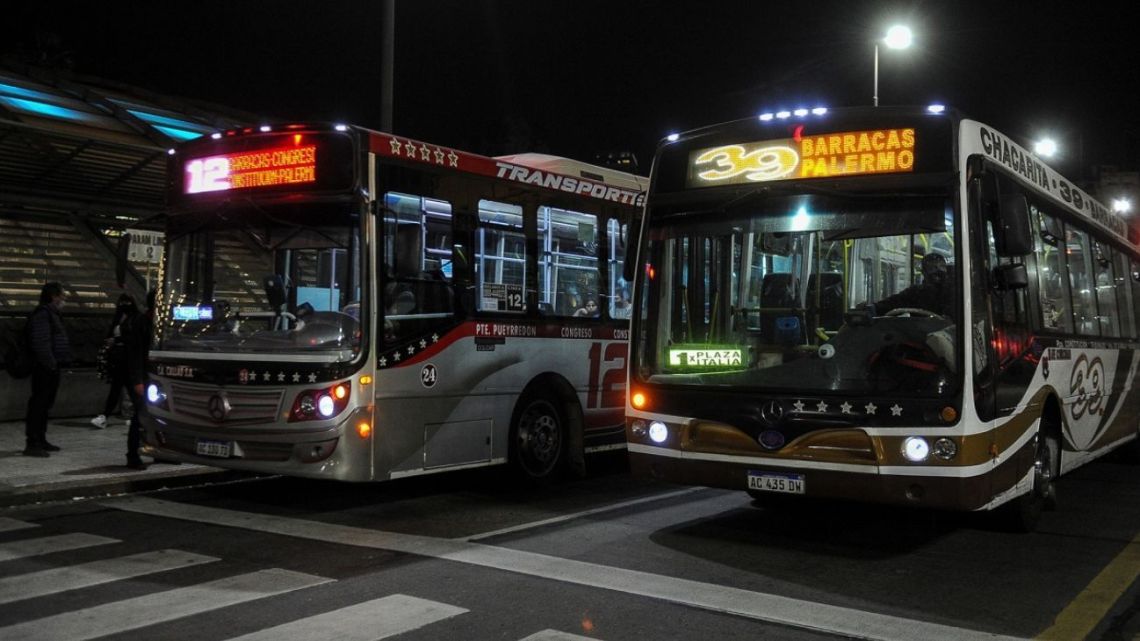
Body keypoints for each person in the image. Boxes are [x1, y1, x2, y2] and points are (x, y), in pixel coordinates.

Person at [24, 282, 72, 457]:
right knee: (39, 404)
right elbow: (41, 343)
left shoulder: (52, 314)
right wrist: (51, 363)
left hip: (51, 366)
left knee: (45, 405)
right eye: (62, 295)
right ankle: (33, 442)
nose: (64, 298)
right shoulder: (43, 315)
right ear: (53, 296)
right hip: (44, 368)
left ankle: (41, 438)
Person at [91, 293, 139, 429]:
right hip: (119, 359)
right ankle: (137, 415)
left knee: (120, 388)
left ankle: (105, 416)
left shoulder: (134, 319)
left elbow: (134, 339)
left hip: (128, 359)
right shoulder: (120, 318)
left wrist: (117, 340)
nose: (124, 306)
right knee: (123, 388)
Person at [121, 290, 156, 470]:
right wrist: (137, 381)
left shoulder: (156, 323)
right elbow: (135, 354)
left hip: (153, 377)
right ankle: (132, 454)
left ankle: (158, 450)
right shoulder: (143, 323)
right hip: (143, 377)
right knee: (140, 416)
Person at [872, 253, 955, 316]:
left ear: (946, 271)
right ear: (924, 273)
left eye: (941, 267)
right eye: (931, 268)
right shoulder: (916, 293)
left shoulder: (955, 292)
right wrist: (873, 308)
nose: (936, 273)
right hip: (920, 335)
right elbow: (893, 302)